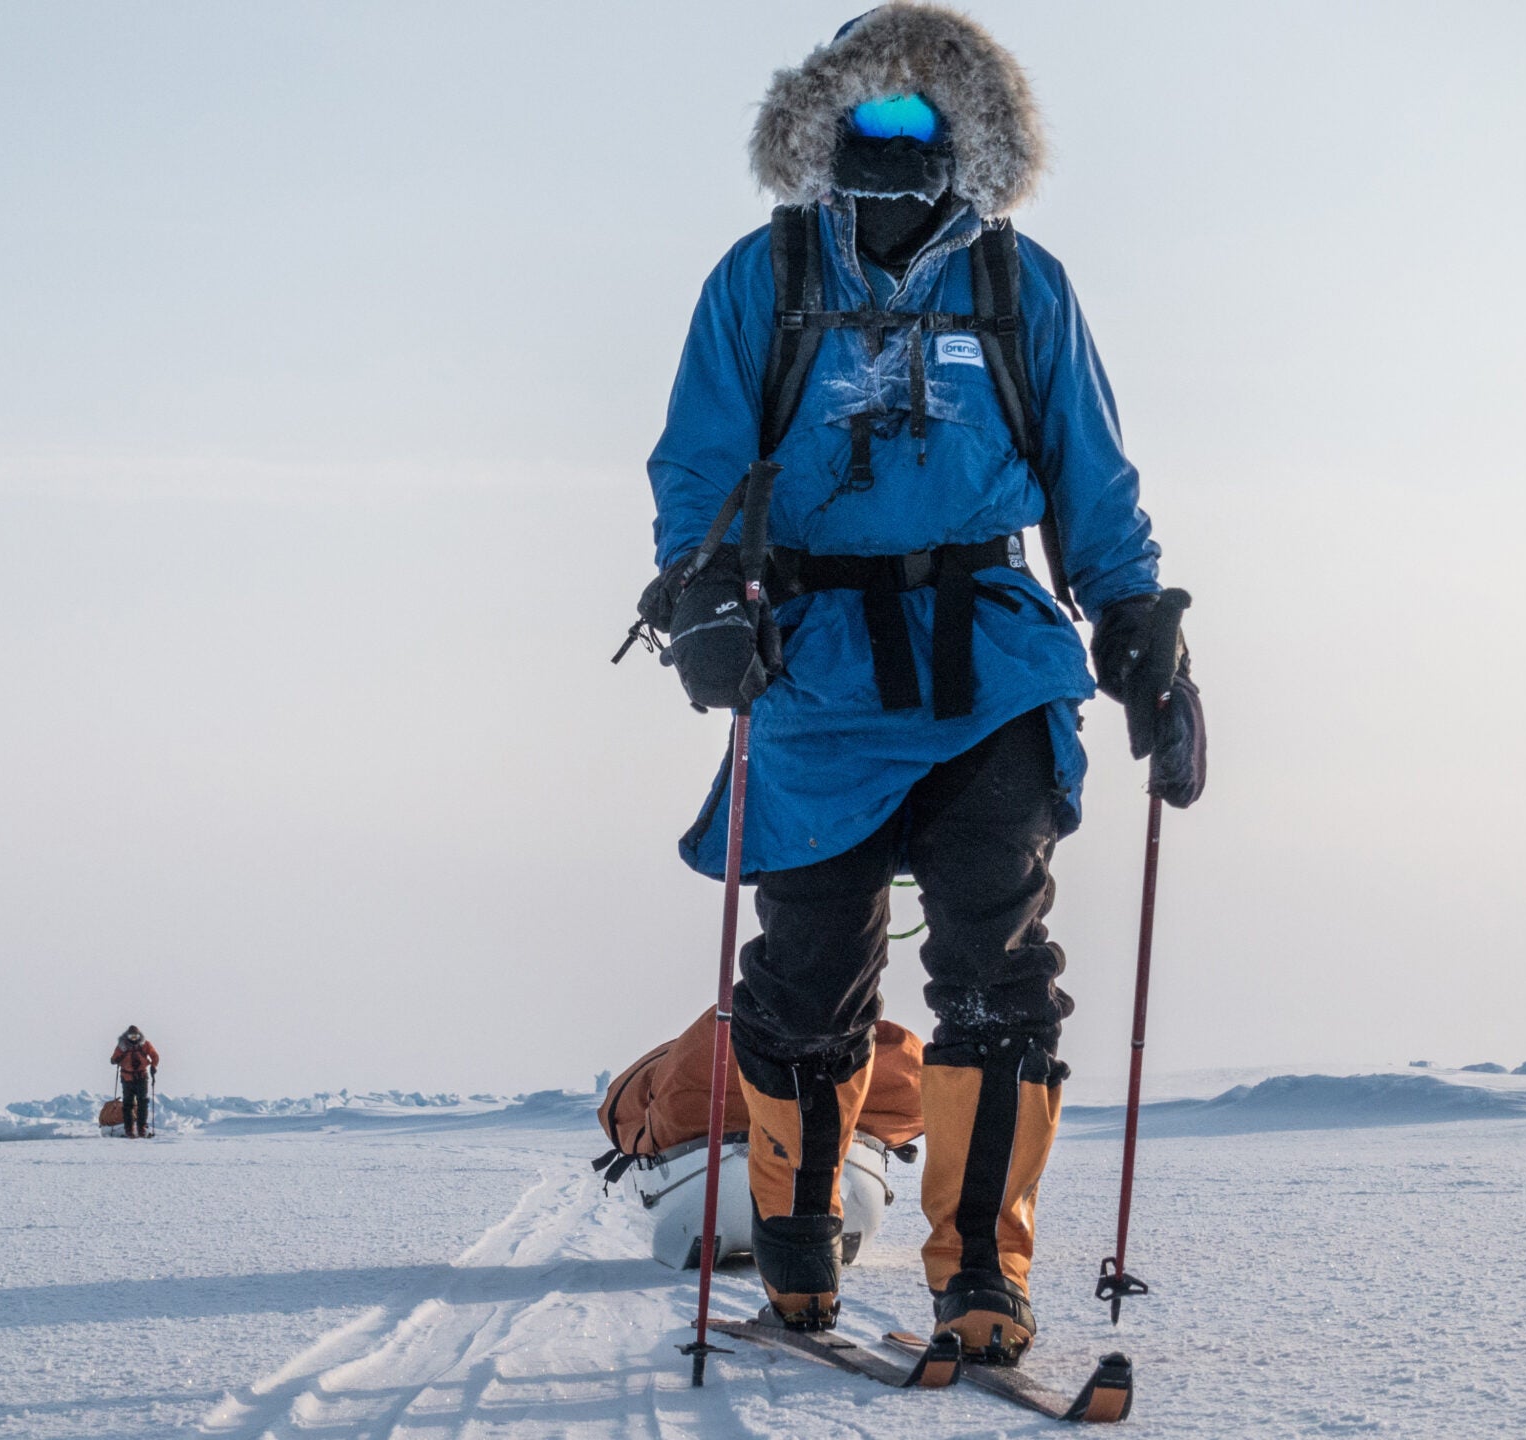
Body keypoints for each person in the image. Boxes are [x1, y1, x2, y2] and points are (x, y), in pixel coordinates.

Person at [634, 4, 1207, 1363]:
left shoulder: (1025, 289)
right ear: (824, 129)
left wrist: (1139, 633)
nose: (894, 142)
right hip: (816, 669)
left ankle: (981, 1277)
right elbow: (699, 459)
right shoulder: (756, 281)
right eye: (868, 116)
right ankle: (796, 1249)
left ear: (970, 140)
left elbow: (1090, 473)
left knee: (999, 970)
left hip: (993, 660)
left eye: (923, 118)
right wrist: (703, 588)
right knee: (806, 978)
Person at [110, 1025, 159, 1138]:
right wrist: (114, 1060)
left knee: (143, 1102)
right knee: (128, 1104)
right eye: (131, 1036)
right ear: (127, 1036)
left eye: (135, 1036)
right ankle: (129, 1129)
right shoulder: (122, 1046)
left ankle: (141, 1128)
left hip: (142, 1076)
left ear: (139, 1035)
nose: (133, 1038)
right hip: (127, 1077)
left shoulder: (145, 1044)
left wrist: (153, 1066)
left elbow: (155, 1056)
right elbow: (114, 1058)